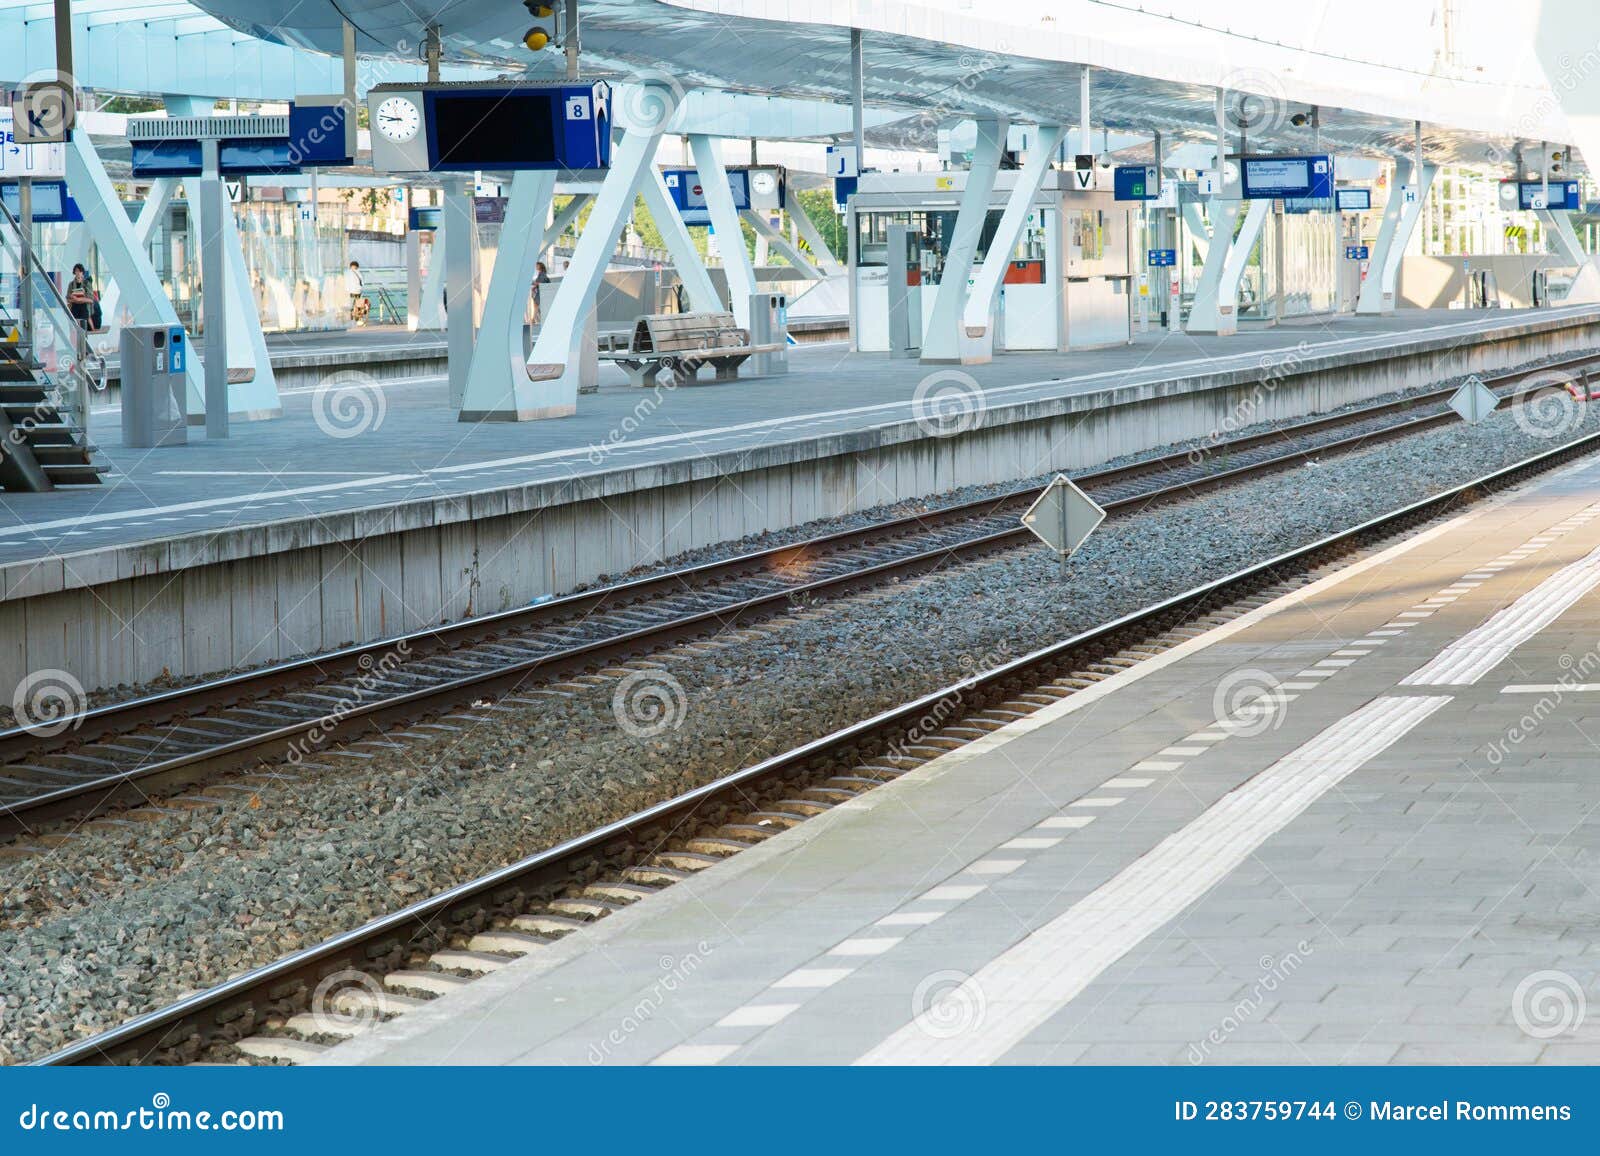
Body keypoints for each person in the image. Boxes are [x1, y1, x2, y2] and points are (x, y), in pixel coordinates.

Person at [66, 263, 100, 331]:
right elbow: (68, 298)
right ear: (74, 272)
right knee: (74, 324)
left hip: (84, 306)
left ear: (82, 273)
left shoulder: (87, 283)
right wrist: (75, 299)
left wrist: (79, 299)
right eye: (76, 271)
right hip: (74, 306)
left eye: (80, 271)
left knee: (84, 323)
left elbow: (91, 299)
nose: (78, 273)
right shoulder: (71, 284)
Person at [345, 260, 366, 326]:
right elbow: (362, 283)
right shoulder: (359, 273)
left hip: (350, 292)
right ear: (357, 266)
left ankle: (350, 318)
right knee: (358, 305)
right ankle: (358, 319)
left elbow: (345, 282)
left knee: (350, 305)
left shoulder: (347, 273)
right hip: (358, 292)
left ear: (350, 266)